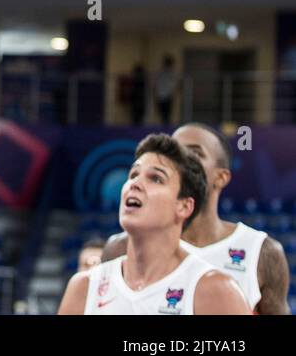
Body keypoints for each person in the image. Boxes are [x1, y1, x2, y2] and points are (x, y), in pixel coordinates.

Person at [100, 122, 290, 314]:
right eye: (175, 154)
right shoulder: (121, 248)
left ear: (221, 177)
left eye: (194, 154)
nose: (180, 162)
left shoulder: (260, 251)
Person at [57, 133, 250, 315]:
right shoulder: (84, 287)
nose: (135, 183)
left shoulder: (214, 290)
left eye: (156, 178)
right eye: (133, 174)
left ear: (184, 206)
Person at [129, 61, 147, 125]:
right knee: (137, 117)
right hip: (138, 100)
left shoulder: (140, 80)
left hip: (139, 100)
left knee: (138, 117)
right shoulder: (138, 80)